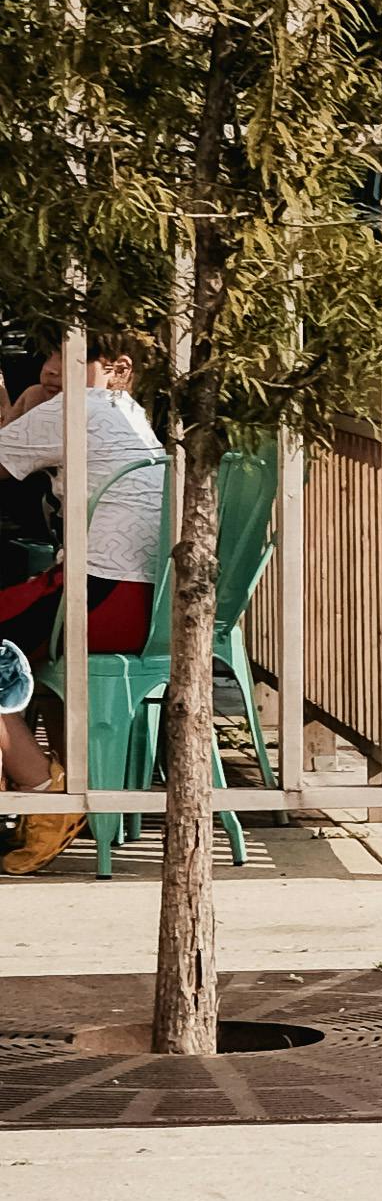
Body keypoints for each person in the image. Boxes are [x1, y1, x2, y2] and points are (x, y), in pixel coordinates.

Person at [0, 342, 165, 871]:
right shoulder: (127, 409)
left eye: (71, 358)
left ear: (115, 370)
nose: (52, 369)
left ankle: (42, 792)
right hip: (146, 600)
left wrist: (22, 401)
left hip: (102, 596)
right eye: (49, 355)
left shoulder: (76, 409)